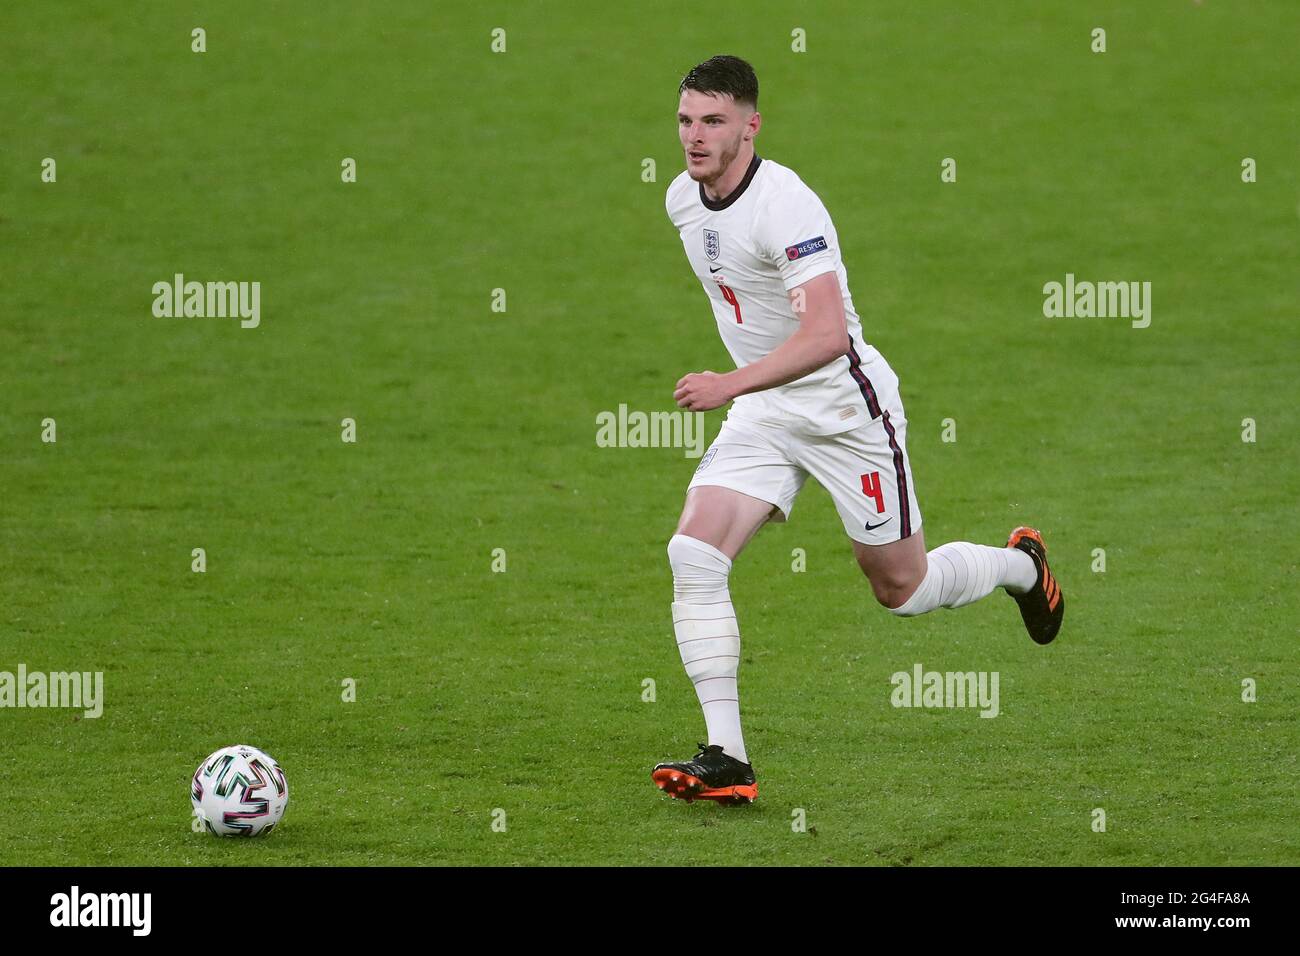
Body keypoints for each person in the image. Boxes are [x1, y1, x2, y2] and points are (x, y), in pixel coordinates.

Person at [652, 55, 1065, 805]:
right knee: (694, 552)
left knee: (901, 589)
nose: (695, 137)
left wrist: (728, 383)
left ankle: (1023, 569)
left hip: (846, 411)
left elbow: (828, 336)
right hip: (768, 411)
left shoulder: (787, 206)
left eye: (714, 121)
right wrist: (747, 391)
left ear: (752, 124)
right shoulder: (683, 200)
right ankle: (728, 758)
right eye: (686, 120)